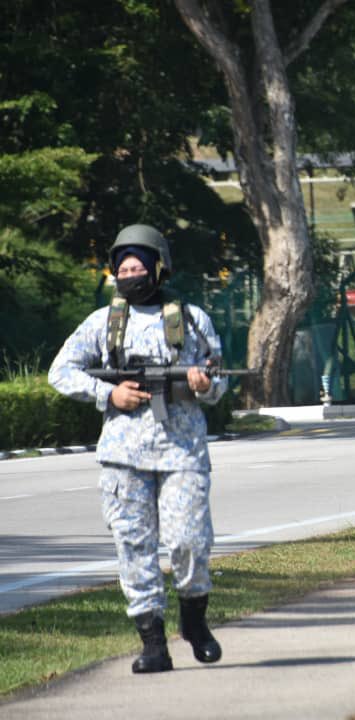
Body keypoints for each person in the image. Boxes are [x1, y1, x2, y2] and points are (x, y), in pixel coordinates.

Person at [48, 224, 227, 674]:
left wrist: (203, 385)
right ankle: (152, 642)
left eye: (137, 266)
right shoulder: (102, 323)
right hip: (122, 457)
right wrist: (108, 395)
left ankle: (194, 623)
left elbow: (218, 379)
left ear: (158, 267)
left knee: (188, 541)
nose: (129, 275)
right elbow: (60, 371)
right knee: (134, 546)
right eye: (122, 268)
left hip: (181, 451)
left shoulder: (190, 319)